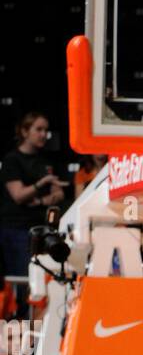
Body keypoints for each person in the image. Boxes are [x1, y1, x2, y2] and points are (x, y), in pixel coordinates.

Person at [0, 112, 67, 305]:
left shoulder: (46, 161)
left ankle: (36, 323)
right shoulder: (12, 160)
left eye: (46, 130)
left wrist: (38, 201)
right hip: (16, 229)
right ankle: (20, 322)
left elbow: (59, 194)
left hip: (41, 229)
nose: (43, 134)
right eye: (38, 129)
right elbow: (19, 195)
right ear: (24, 131)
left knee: (42, 278)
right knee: (23, 278)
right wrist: (42, 184)